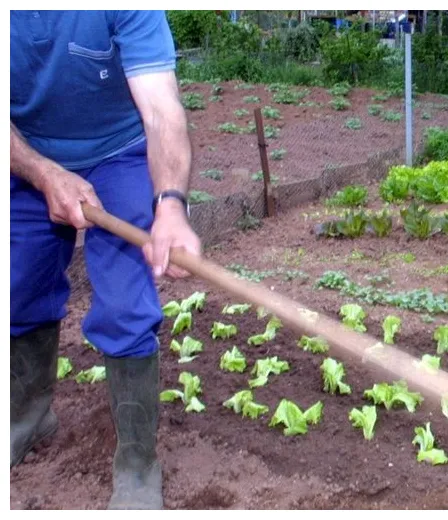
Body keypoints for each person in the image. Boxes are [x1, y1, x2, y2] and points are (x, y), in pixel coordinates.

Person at [10, 10, 202, 509]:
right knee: (18, 288)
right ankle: (27, 418)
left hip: (119, 151)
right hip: (22, 150)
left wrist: (170, 207)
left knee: (125, 303)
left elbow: (162, 111)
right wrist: (42, 172)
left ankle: (138, 464)